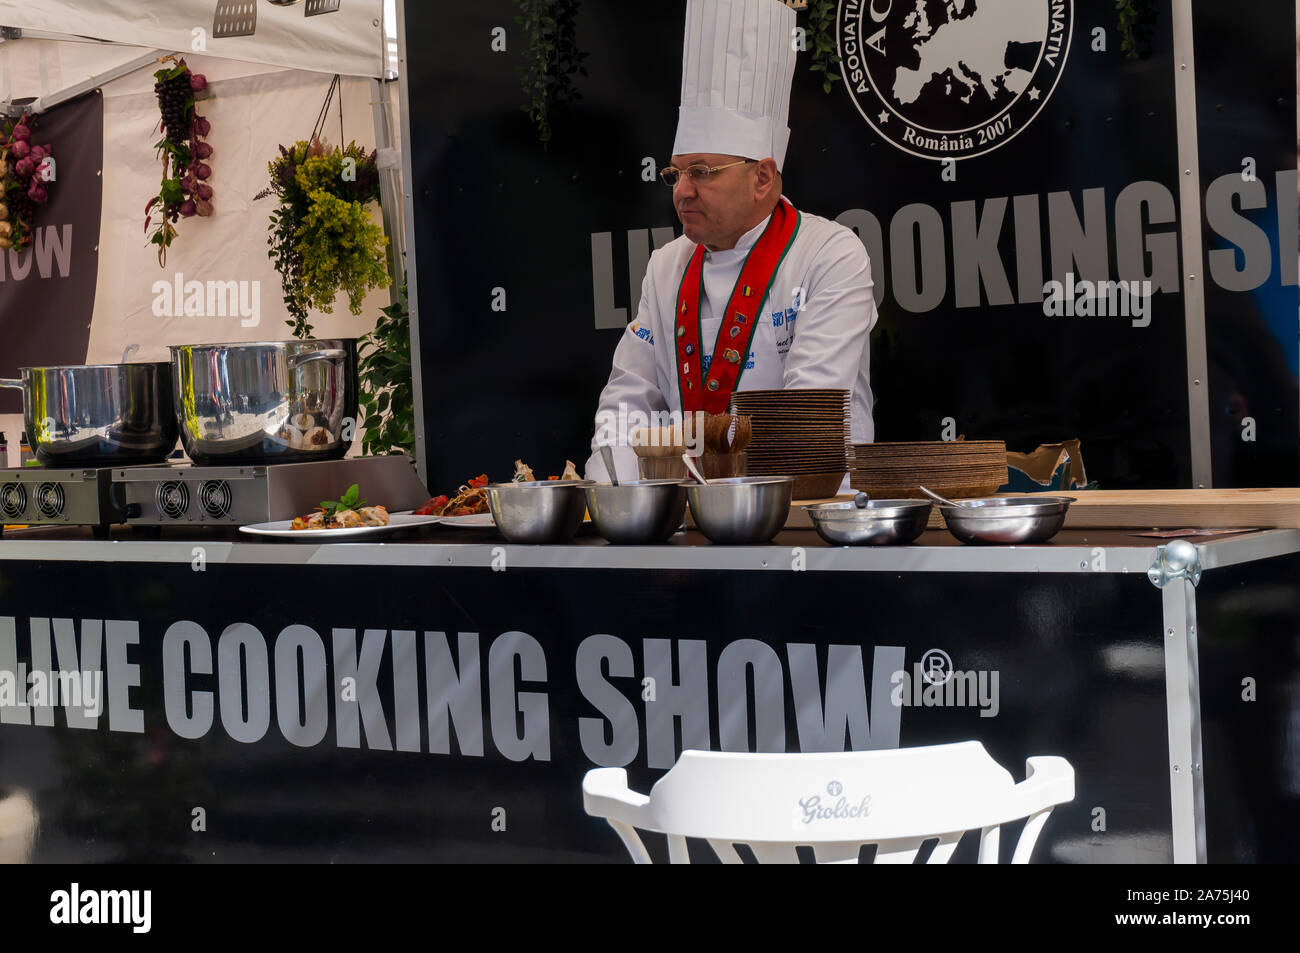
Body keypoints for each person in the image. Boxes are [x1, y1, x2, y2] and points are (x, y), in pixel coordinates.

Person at [585, 0, 877, 482]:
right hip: (691, 517)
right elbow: (627, 402)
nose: (681, 191)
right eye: (675, 173)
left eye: (701, 172)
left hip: (812, 512)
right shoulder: (666, 266)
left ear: (763, 177)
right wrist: (612, 493)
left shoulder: (829, 254)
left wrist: (726, 497)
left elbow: (808, 410)